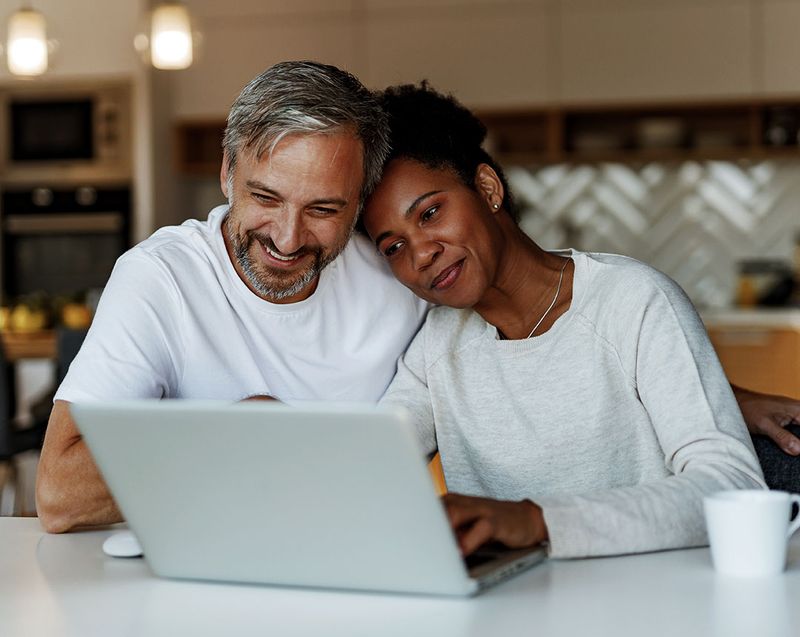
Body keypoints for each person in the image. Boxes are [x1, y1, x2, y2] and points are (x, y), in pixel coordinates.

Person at [36, 60, 798, 534]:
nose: (289, 236)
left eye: (429, 212)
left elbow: (597, 362)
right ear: (229, 172)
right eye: (394, 242)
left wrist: (701, 390)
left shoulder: (616, 299)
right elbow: (369, 451)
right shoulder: (434, 333)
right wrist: (248, 439)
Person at [362, 83, 768, 558]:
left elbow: (730, 484)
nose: (422, 253)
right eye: (393, 247)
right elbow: (370, 466)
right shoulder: (436, 346)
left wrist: (537, 521)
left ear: (487, 189)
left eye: (431, 213)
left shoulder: (632, 301)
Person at [35, 61, 428, 533]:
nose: (287, 239)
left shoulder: (401, 279)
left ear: (360, 202)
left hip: (361, 557)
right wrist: (236, 433)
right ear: (227, 172)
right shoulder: (161, 279)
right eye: (265, 198)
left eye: (322, 209)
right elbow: (60, 495)